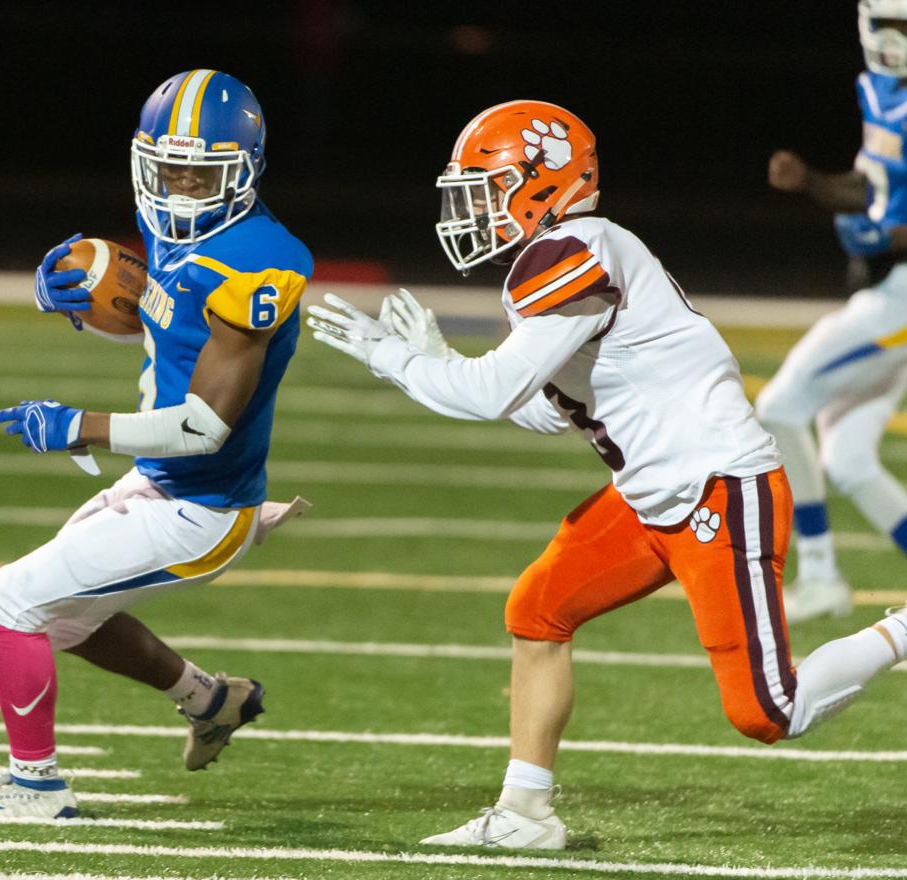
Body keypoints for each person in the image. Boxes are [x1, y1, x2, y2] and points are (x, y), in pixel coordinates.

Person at [307, 99, 907, 850]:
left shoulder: (576, 250)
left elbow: (493, 394)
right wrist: (440, 365)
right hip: (652, 493)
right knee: (538, 610)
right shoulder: (554, 259)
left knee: (768, 711)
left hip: (720, 485)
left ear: (542, 183)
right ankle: (526, 813)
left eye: (486, 190)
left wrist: (399, 361)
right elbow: (541, 410)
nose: (472, 211)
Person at [0, 69, 313, 819]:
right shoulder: (177, 226)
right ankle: (210, 699)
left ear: (244, 171)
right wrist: (95, 299)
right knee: (64, 614)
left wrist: (81, 426)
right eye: (166, 168)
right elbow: (169, 325)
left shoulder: (260, 263)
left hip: (201, 508)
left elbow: (205, 425)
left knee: (12, 598)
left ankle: (35, 788)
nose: (179, 189)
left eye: (200, 173)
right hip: (161, 483)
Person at [756, 0, 907, 623]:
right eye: (893, 25)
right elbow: (872, 186)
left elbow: (889, 224)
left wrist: (881, 235)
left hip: (897, 301)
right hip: (885, 291)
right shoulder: (879, 89)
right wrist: (815, 183)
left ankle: (819, 575)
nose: (898, 39)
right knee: (846, 458)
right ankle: (820, 577)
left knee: (778, 408)